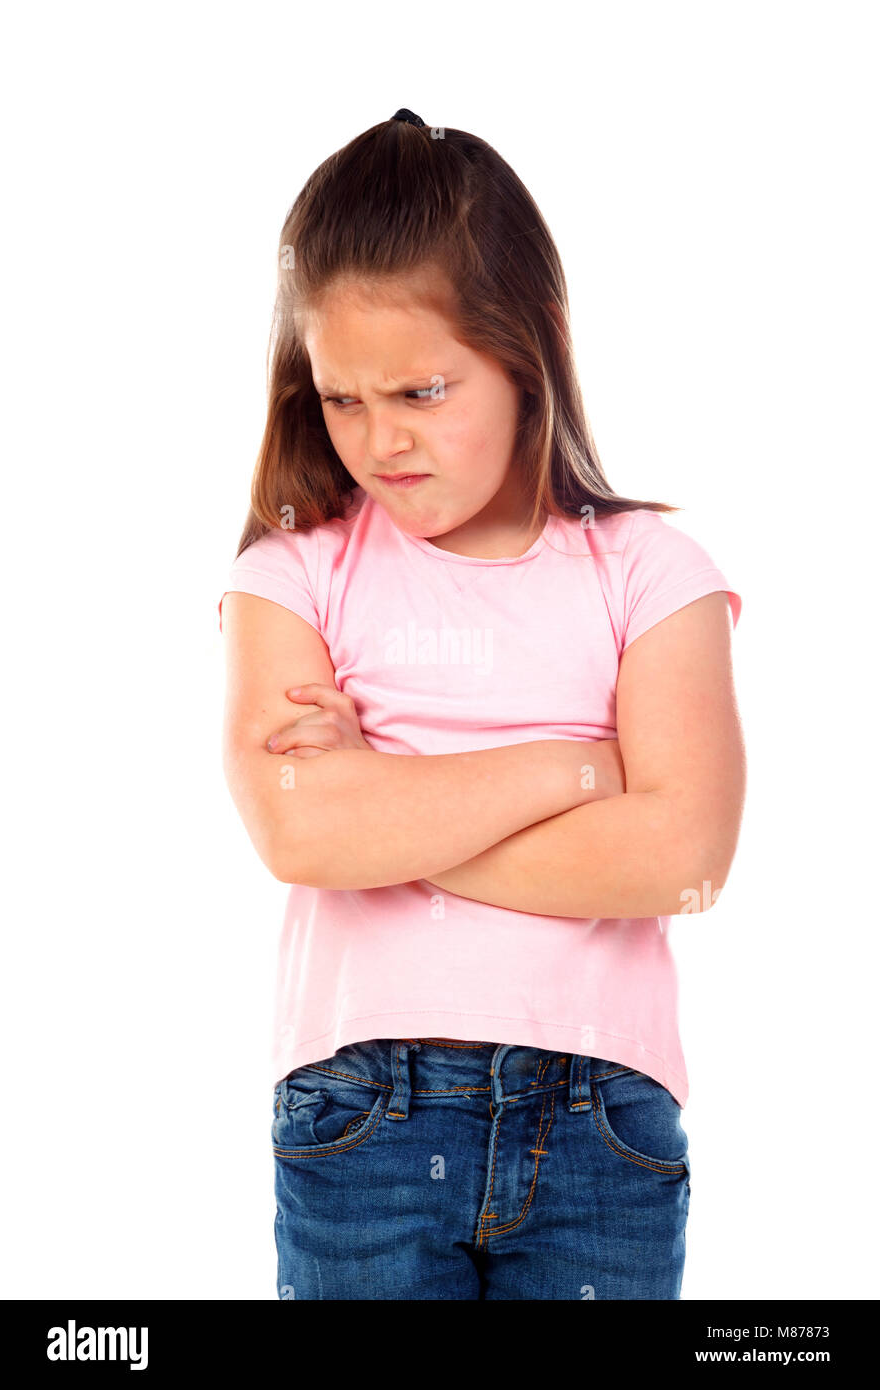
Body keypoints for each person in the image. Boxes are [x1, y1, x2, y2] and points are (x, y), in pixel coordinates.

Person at [218, 110, 746, 1300]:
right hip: (361, 1118)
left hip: (603, 1122)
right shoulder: (291, 574)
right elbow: (304, 832)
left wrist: (391, 815)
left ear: (532, 347)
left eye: (418, 389)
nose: (378, 441)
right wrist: (579, 769)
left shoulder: (653, 573)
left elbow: (684, 858)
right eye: (342, 399)